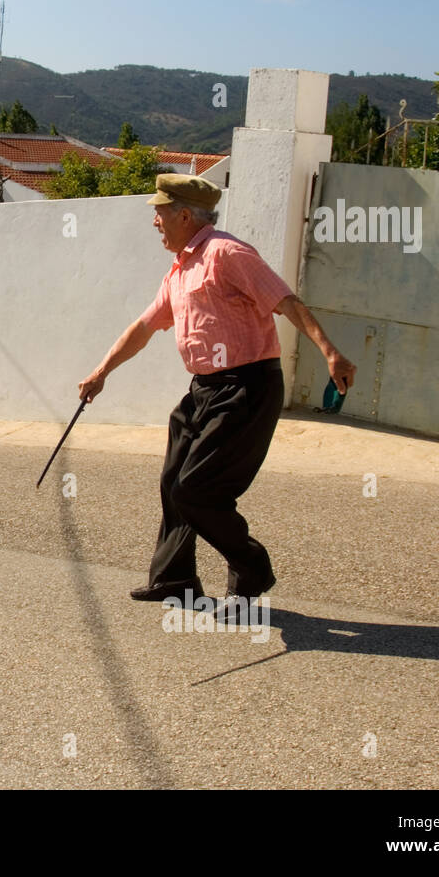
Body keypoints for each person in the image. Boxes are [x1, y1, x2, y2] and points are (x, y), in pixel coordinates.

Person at [78, 173, 355, 618]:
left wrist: (331, 352)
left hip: (247, 387)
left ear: (185, 215)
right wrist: (101, 371)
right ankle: (175, 580)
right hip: (203, 389)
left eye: (160, 213)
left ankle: (252, 571)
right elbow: (145, 327)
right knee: (173, 482)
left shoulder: (228, 254)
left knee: (198, 490)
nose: (155, 222)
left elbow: (285, 301)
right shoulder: (182, 267)